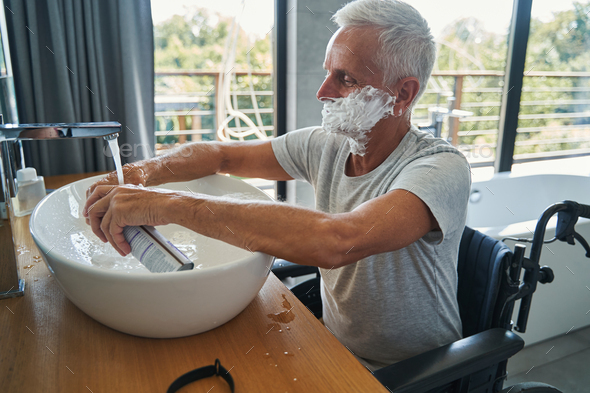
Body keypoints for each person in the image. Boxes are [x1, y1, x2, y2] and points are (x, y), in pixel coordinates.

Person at [84, 0, 470, 371]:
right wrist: (141, 173)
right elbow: (222, 155)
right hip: (336, 347)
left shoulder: (440, 169)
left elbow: (337, 240)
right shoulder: (328, 145)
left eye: (346, 79)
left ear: (402, 94)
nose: (322, 92)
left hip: (415, 372)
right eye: (327, 72)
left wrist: (164, 204)